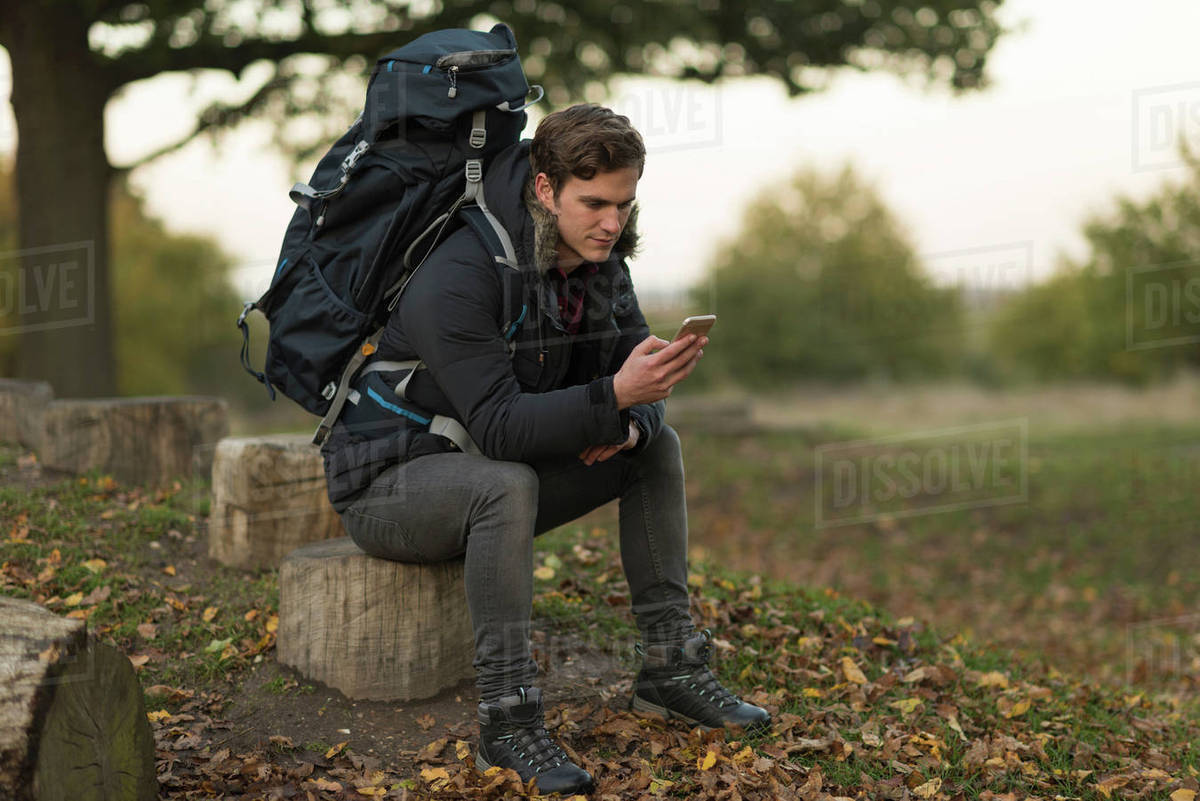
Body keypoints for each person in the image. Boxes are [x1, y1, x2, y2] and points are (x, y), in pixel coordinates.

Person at [320, 103, 769, 796]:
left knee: (655, 449)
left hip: (493, 474)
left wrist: (631, 422)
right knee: (505, 483)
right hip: (388, 484)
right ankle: (506, 719)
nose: (611, 222)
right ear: (543, 188)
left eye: (623, 204)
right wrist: (613, 399)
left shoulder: (600, 265)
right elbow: (502, 427)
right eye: (593, 203)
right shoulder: (459, 273)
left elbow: (636, 380)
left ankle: (671, 668)